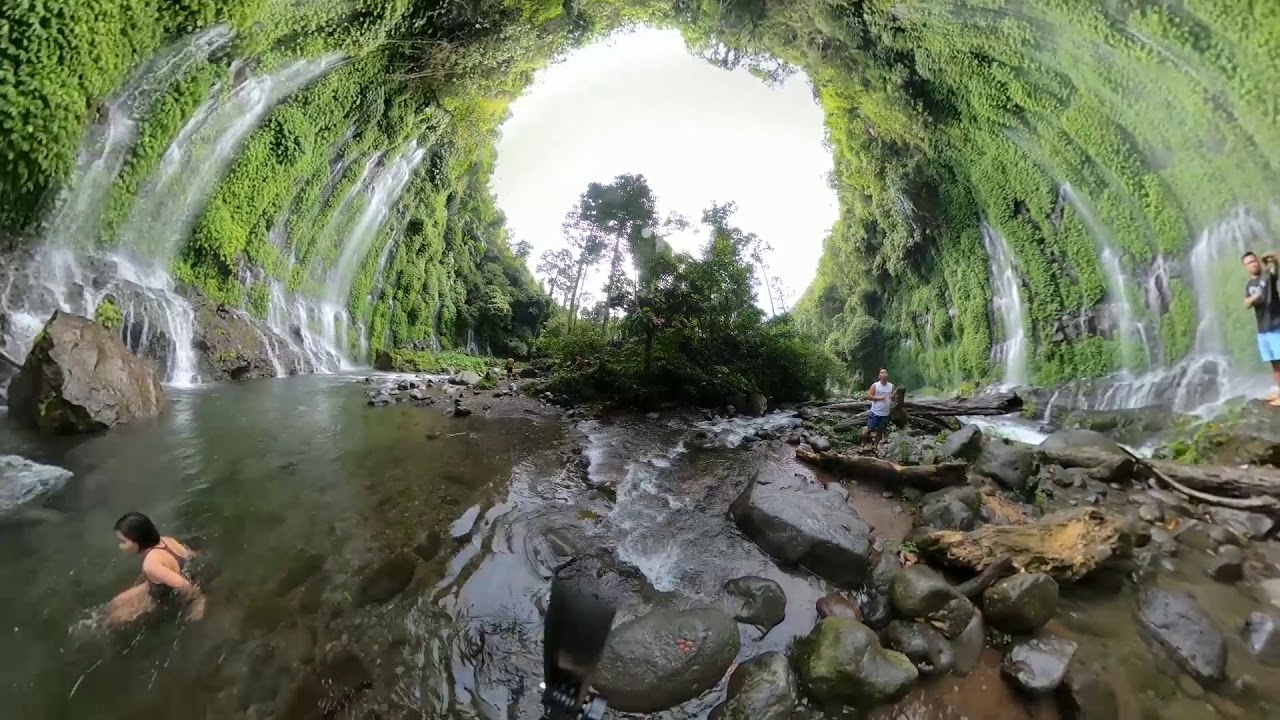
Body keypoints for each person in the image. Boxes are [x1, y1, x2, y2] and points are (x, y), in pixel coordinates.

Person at [107, 512, 205, 625]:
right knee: (115, 603)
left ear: (137, 541)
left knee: (115, 619)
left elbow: (184, 585)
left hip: (162, 596)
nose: (120, 546)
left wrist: (197, 604)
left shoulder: (150, 565)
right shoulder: (166, 540)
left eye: (123, 542)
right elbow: (191, 556)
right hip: (162, 582)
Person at [1243, 251, 1280, 407]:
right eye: (1249, 263)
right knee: (1274, 363)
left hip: (1276, 324)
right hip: (1263, 330)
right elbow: (1245, 303)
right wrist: (1253, 298)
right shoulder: (1249, 285)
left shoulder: (1267, 277)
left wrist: (1274, 261)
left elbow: (1275, 270)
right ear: (1245, 267)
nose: (1253, 264)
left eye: (1254, 260)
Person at [861, 368, 895, 451]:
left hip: (885, 413)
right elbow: (869, 396)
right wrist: (881, 398)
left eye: (886, 373)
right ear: (879, 376)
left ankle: (875, 447)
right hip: (875, 412)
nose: (884, 374)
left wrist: (893, 397)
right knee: (869, 429)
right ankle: (863, 444)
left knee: (880, 431)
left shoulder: (891, 386)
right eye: (882, 373)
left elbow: (894, 398)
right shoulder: (875, 385)